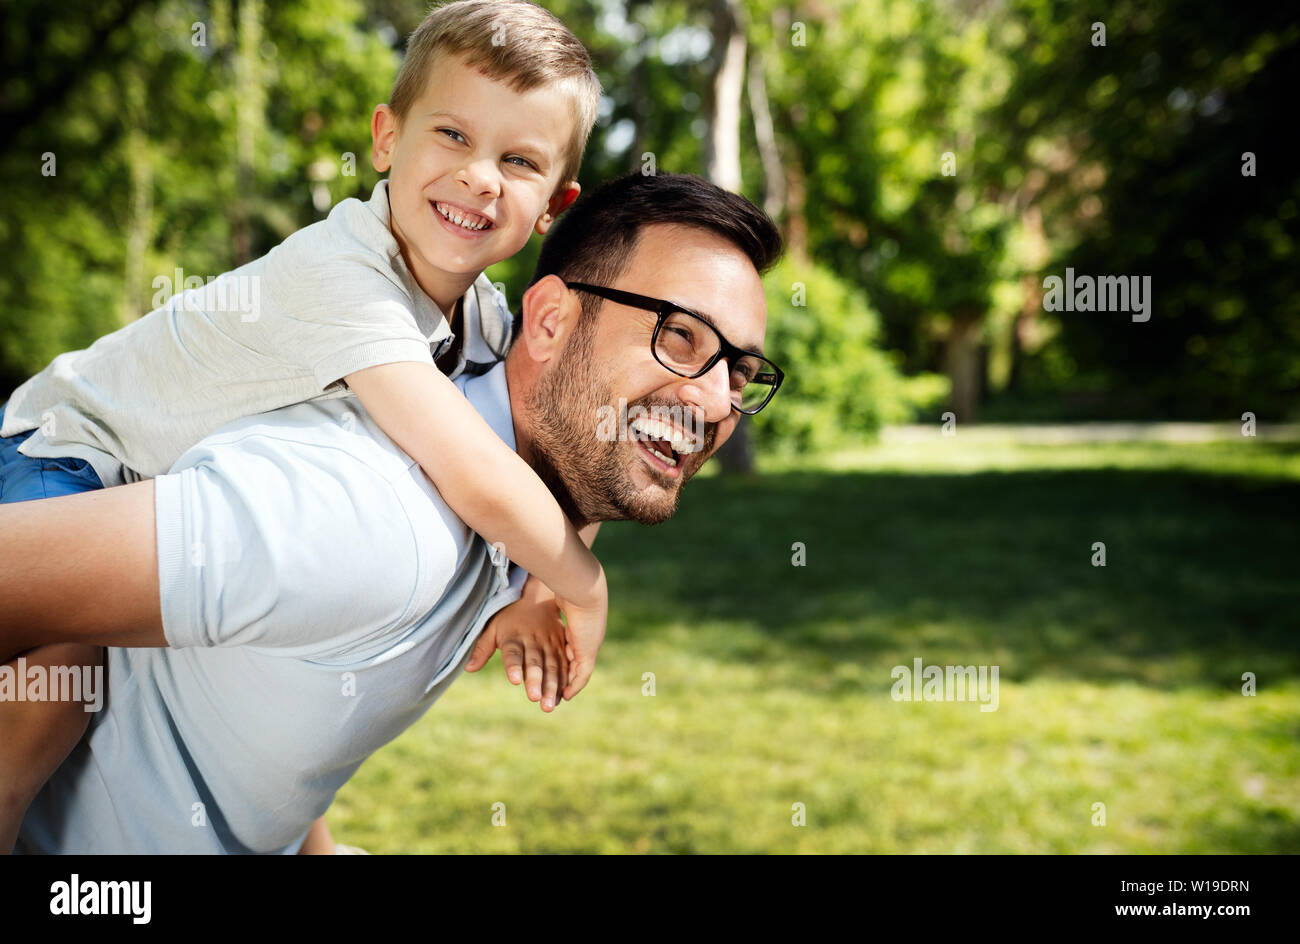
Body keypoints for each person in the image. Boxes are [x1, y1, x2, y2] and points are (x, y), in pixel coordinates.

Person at [0, 171, 785, 853]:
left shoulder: (521, 492)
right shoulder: (368, 519)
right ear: (549, 321)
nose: (718, 402)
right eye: (679, 338)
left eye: (741, 373)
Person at [0, 0, 611, 848]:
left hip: (161, 487)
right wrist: (582, 582)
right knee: (52, 696)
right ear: (386, 138)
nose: (480, 176)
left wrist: (534, 588)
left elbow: (538, 450)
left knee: (266, 639)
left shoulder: (480, 314)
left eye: (518, 160)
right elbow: (473, 470)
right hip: (70, 446)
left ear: (554, 206)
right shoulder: (345, 275)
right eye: (453, 136)